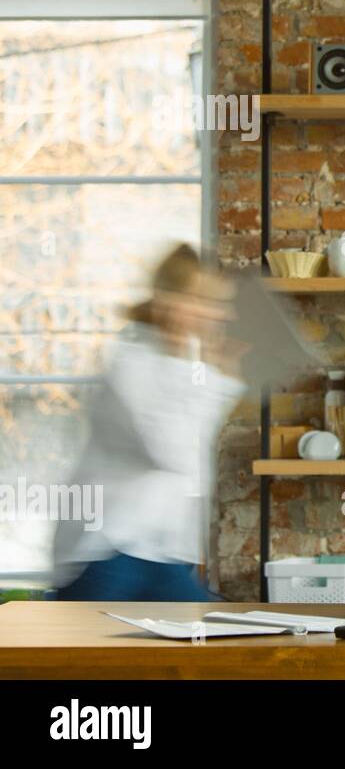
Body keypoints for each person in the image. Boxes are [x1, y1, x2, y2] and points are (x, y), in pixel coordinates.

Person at [53, 244, 247, 601]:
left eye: (217, 304)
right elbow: (172, 455)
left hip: (158, 554)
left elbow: (193, 459)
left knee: (207, 645)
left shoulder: (185, 368)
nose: (215, 316)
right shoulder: (131, 364)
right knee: (83, 655)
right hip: (105, 550)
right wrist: (220, 382)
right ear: (170, 300)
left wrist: (216, 378)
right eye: (202, 301)